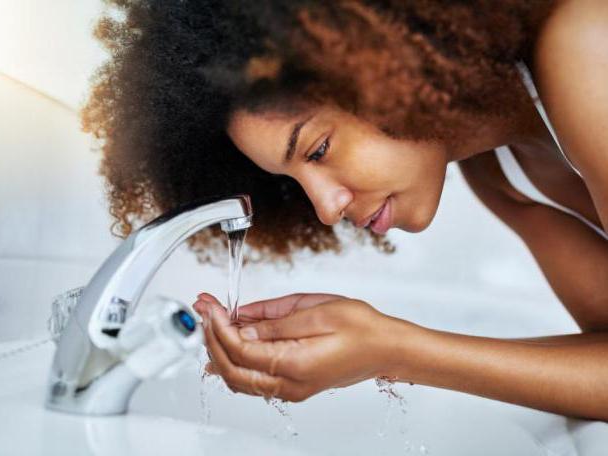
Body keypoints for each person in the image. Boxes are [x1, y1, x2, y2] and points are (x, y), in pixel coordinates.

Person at [83, 0, 608, 420]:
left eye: (317, 150)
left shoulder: (586, 47)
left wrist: (397, 352)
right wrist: (386, 346)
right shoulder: (498, 175)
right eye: (293, 181)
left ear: (387, 57)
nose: (326, 208)